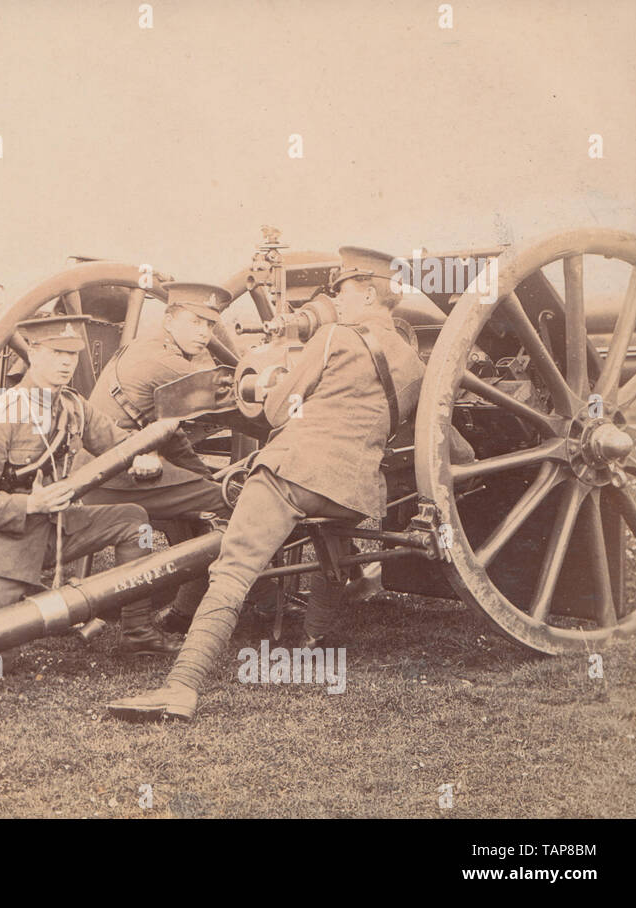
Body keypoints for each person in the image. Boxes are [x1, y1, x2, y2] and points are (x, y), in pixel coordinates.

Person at [106, 247, 428, 721]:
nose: (336, 301)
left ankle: (181, 687)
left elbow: (277, 411)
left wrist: (276, 388)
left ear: (365, 294)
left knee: (232, 571)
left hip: (291, 472)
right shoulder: (417, 366)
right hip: (355, 490)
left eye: (341, 292)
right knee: (331, 544)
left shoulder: (333, 336)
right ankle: (317, 638)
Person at [0, 314, 173, 668]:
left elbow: (122, 444)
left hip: (56, 532)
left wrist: (147, 455)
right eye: (57, 353)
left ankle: (137, 631)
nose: (67, 363)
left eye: (72, 355)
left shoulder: (73, 406)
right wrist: (31, 503)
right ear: (33, 353)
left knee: (135, 522)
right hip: (4, 548)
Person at [82, 282, 235, 629]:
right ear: (169, 319)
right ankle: (258, 601)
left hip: (100, 470)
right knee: (232, 504)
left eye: (210, 325)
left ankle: (183, 613)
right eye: (195, 322)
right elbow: (237, 401)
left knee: (200, 504)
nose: (205, 334)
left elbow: (171, 432)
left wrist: (200, 475)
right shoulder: (165, 361)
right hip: (118, 475)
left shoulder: (146, 347)